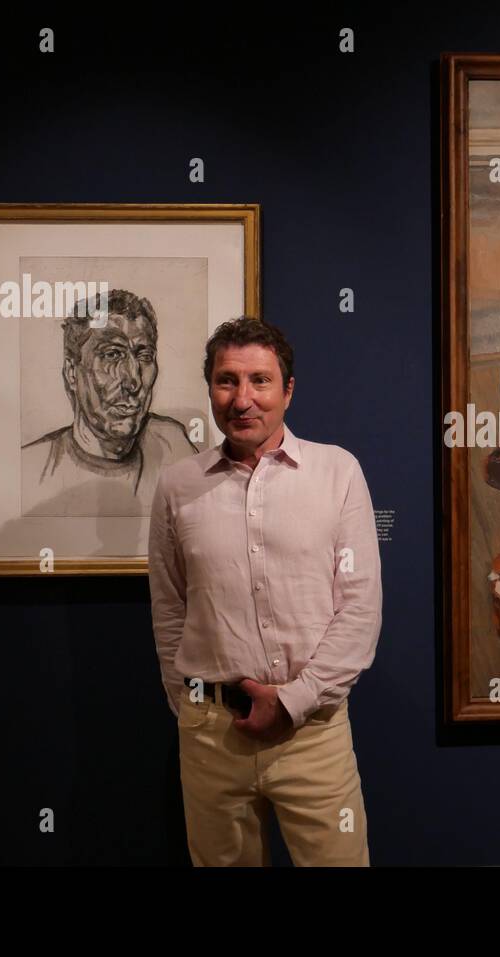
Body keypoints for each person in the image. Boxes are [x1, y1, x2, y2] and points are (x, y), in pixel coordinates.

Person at [148, 317, 382, 866]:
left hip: (313, 735)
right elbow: (169, 607)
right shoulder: (177, 486)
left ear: (288, 390)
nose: (242, 398)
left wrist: (293, 702)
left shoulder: (338, 472)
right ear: (209, 388)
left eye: (260, 380)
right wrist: (191, 707)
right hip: (212, 738)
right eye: (227, 381)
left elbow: (360, 608)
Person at [22, 288, 197, 516]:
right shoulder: (33, 470)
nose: (133, 380)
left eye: (144, 356)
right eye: (112, 355)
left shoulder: (173, 445)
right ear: (72, 373)